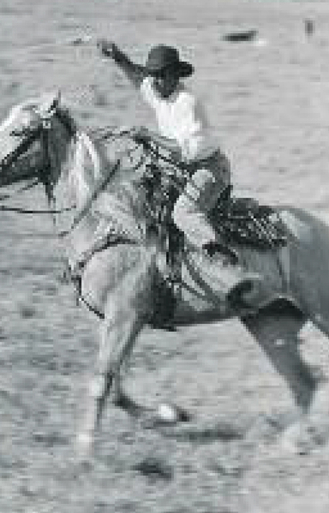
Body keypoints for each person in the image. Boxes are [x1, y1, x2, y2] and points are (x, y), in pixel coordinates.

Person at [95, 40, 261, 311]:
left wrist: (147, 134)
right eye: (154, 75)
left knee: (183, 212)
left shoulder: (188, 103)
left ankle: (229, 270)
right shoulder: (158, 90)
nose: (155, 81)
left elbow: (188, 151)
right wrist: (117, 56)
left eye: (161, 75)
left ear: (175, 75)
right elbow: (138, 77)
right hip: (182, 168)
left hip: (209, 168)